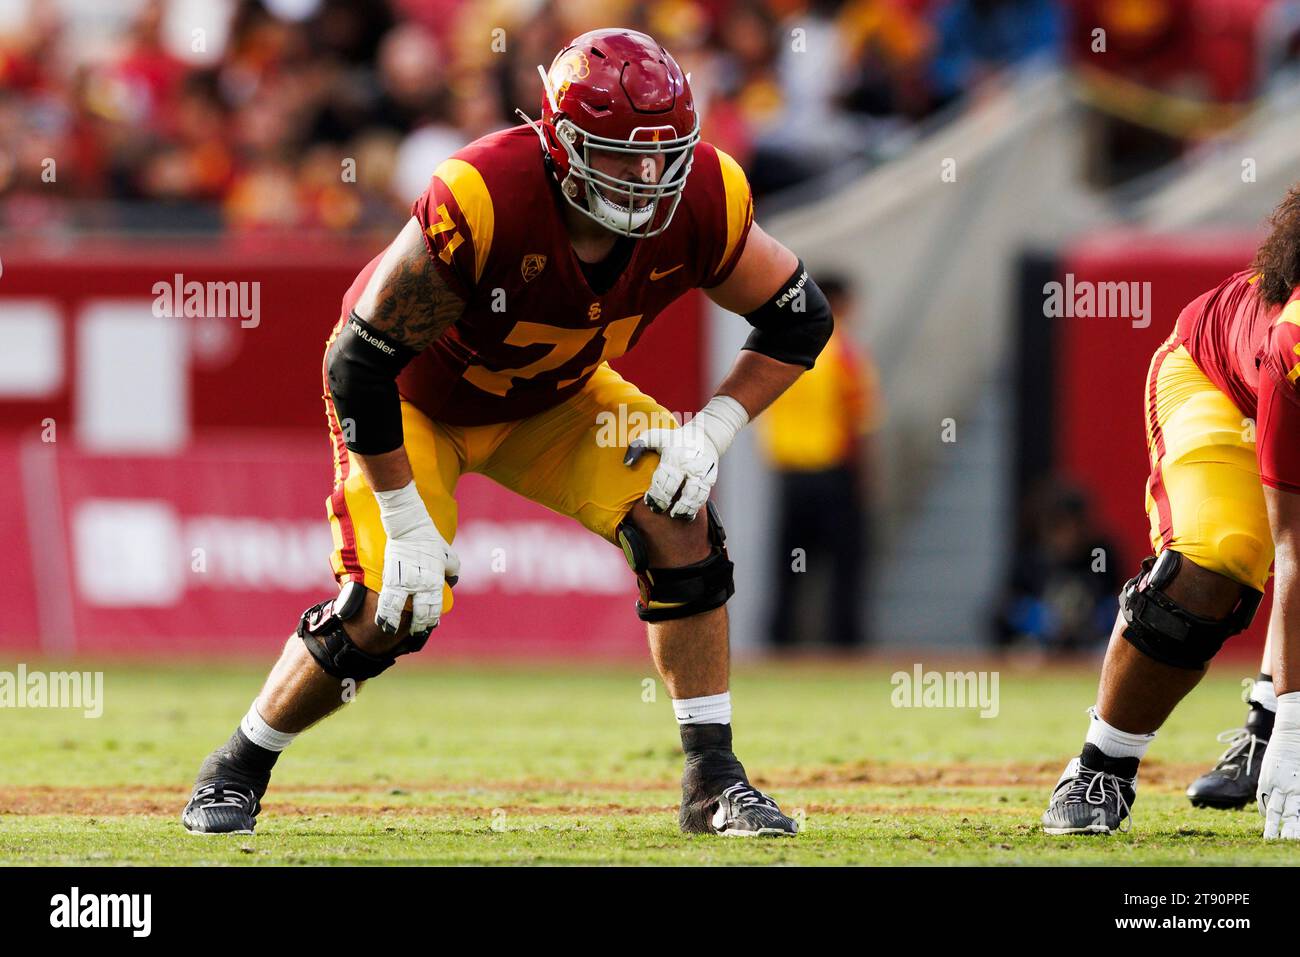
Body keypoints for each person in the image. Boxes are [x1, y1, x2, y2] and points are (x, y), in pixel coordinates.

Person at [180, 28, 835, 839]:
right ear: (561, 141)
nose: (645, 176)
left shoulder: (702, 195)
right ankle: (239, 763)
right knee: (392, 604)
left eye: (662, 155)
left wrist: (716, 426)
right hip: (413, 403)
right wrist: (407, 516)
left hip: (555, 399)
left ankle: (712, 781)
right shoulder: (485, 193)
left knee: (678, 513)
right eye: (620, 153)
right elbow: (357, 363)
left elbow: (798, 316)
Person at [1042, 185, 1300, 838]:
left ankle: (1264, 728)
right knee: (1222, 557)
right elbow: (1293, 549)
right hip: (1216, 381)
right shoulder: (1293, 344)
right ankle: (1102, 765)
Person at [756, 275, 878, 649]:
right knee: (845, 571)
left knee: (787, 571)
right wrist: (867, 483)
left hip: (788, 478)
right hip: (833, 478)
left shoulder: (779, 349)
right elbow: (860, 425)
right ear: (837, 302)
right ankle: (845, 649)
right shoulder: (844, 354)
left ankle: (780, 647)